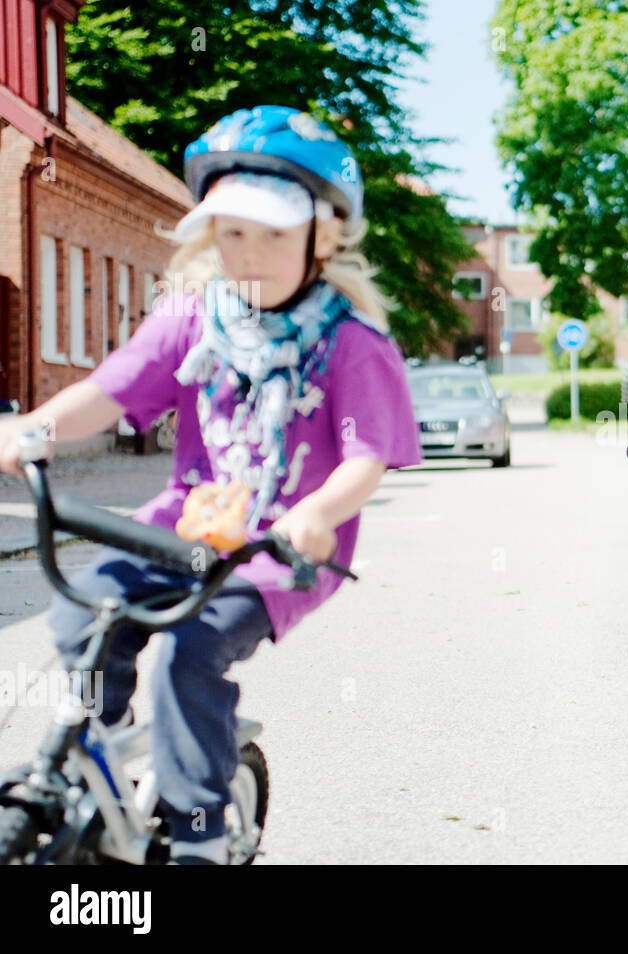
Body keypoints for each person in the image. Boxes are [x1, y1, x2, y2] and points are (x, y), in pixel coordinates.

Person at [0, 105, 420, 863]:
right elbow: (111, 391)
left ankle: (197, 831)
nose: (249, 252)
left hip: (280, 548)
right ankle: (92, 769)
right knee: (80, 621)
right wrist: (35, 429)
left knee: (191, 649)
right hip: (181, 526)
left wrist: (318, 514)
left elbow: (367, 460)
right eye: (232, 232)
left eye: (272, 232)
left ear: (323, 234)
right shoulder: (193, 317)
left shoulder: (352, 342)